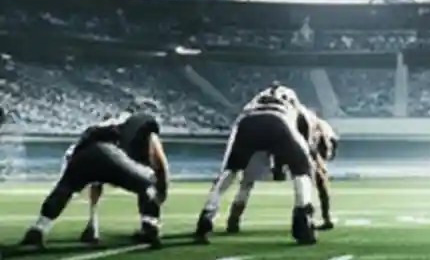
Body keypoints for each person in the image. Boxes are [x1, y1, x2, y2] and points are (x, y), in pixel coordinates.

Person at [19, 106, 169, 250]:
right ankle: (150, 225)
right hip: (109, 151)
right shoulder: (142, 124)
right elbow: (160, 160)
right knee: (151, 181)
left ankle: (39, 228)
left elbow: (96, 182)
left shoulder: (105, 125)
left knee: (66, 188)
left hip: (81, 153)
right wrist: (162, 189)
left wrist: (93, 224)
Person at [195, 83, 319, 246]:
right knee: (302, 171)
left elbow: (238, 126)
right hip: (279, 121)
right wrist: (307, 152)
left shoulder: (254, 101)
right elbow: (304, 125)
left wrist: (230, 165)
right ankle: (303, 219)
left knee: (230, 173)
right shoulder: (291, 100)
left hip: (247, 123)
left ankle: (207, 215)